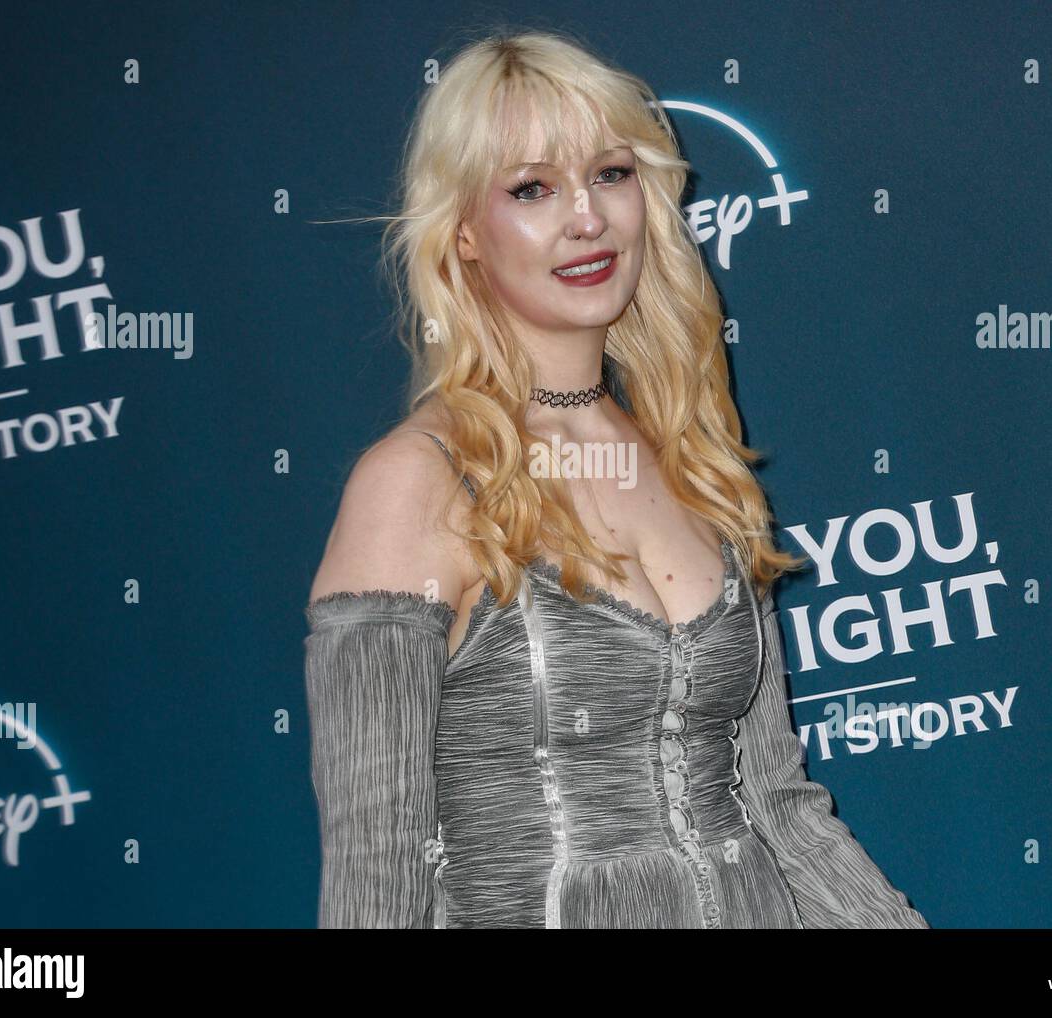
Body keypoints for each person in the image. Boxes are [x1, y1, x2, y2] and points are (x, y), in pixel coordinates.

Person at [303, 28, 929, 929]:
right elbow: (374, 873)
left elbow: (781, 813)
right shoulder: (416, 482)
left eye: (611, 173)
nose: (586, 218)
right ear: (466, 234)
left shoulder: (695, 460)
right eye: (532, 188)